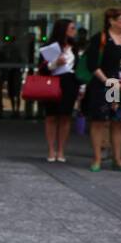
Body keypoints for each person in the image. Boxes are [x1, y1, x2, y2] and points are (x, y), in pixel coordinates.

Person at [82, 6, 121, 172]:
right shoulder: (100, 39)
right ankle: (97, 158)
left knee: (118, 121)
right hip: (107, 84)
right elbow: (92, 64)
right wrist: (108, 81)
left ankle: (118, 159)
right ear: (111, 21)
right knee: (100, 120)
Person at [37, 18, 79, 162]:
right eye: (72, 28)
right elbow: (41, 68)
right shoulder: (49, 47)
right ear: (63, 29)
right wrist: (55, 63)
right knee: (51, 116)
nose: (74, 31)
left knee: (65, 116)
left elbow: (78, 67)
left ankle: (61, 150)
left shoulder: (75, 47)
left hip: (70, 83)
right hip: (53, 82)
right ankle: (51, 149)